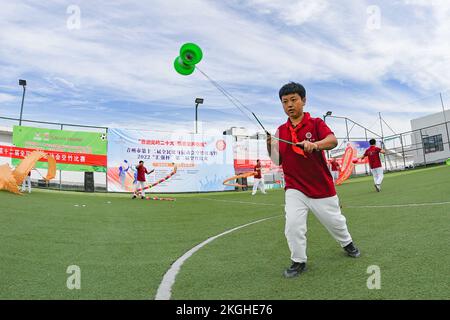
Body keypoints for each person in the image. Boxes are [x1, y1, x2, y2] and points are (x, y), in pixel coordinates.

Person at [266, 82, 360, 278]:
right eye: (285, 102)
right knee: (292, 225)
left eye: (294, 100)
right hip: (294, 187)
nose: (289, 105)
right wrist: (270, 146)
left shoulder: (316, 123)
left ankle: (347, 243)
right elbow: (277, 160)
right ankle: (298, 261)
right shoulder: (280, 131)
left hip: (320, 186)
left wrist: (314, 144)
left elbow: (332, 141)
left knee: (335, 222)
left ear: (304, 100)